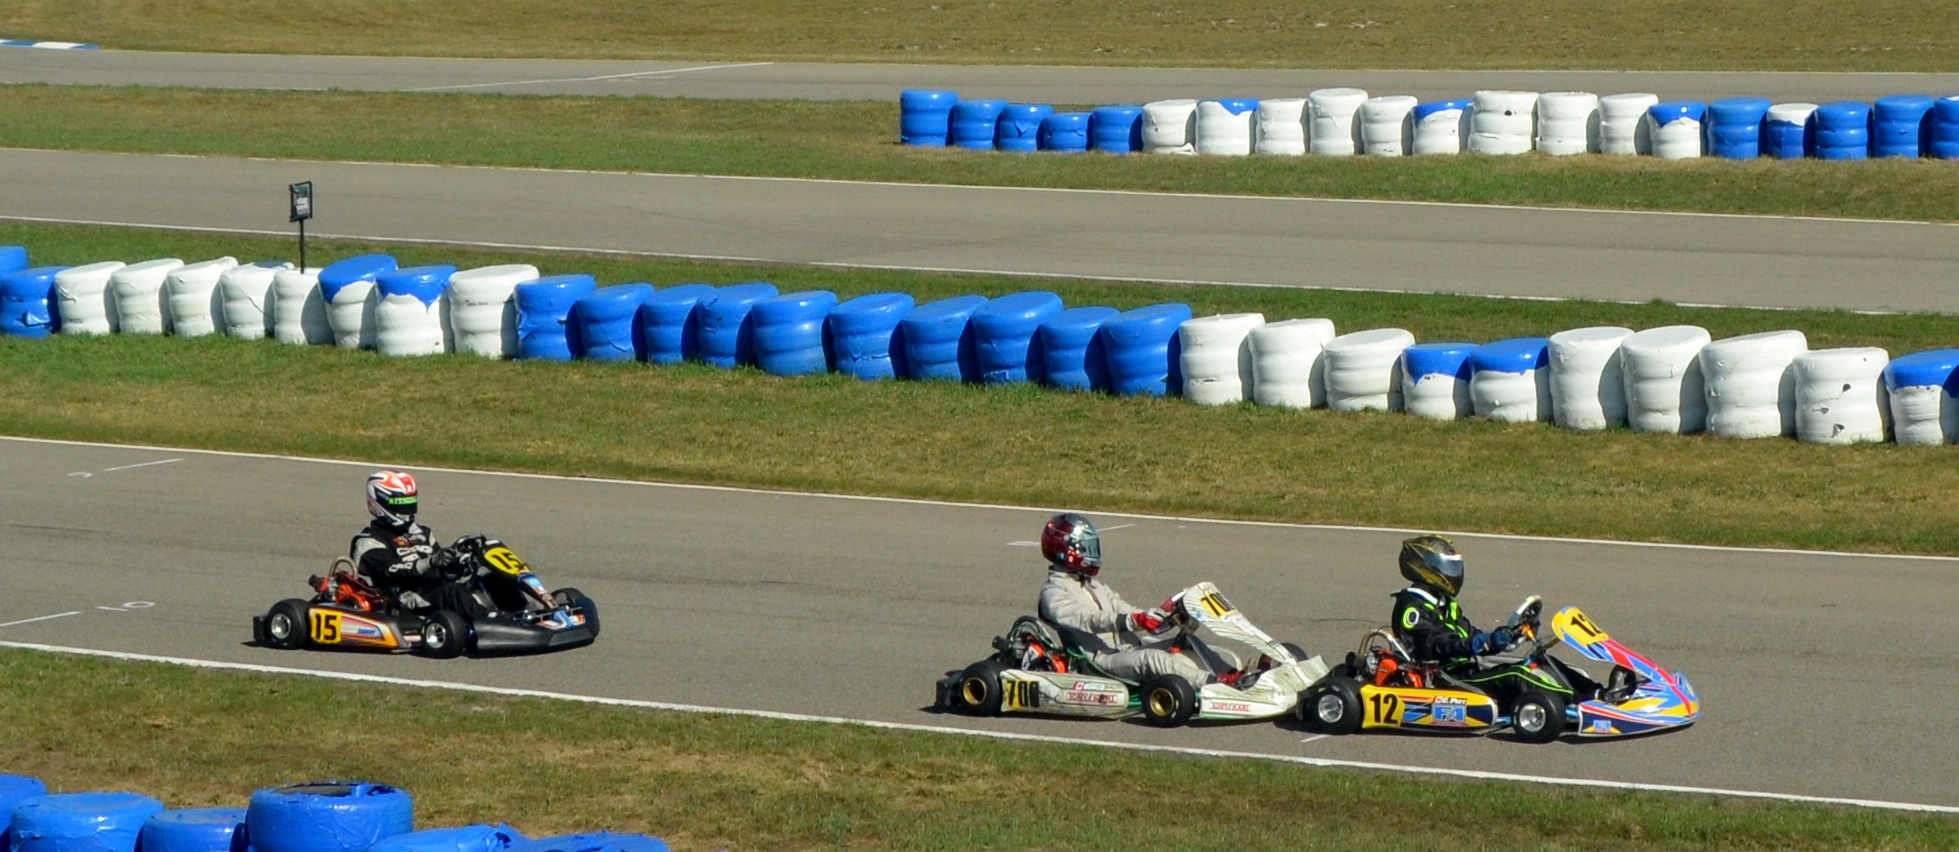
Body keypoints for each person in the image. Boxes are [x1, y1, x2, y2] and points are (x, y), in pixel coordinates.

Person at [1036, 512, 1214, 686]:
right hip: (1101, 661)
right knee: (1152, 658)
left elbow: (1122, 608)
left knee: (1190, 642)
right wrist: (1131, 620)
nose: (1091, 554)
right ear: (1064, 550)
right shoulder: (1053, 593)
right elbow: (1088, 619)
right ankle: (1213, 684)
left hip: (1127, 650)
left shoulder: (1093, 585)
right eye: (1085, 548)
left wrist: (1158, 616)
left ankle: (1231, 677)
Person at [1388, 534, 1517, 671]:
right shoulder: (1412, 607)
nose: (1453, 573)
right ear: (1427, 569)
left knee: (1529, 668)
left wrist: (1506, 636)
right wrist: (1479, 643)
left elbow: (1472, 637)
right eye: (1448, 567)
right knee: (1518, 678)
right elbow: (1433, 645)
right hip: (1442, 675)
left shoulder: (1446, 604)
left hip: (1464, 669)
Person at [351, 470, 443, 611]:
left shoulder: (424, 533)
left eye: (410, 503)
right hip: (401, 600)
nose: (408, 511)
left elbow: (440, 569)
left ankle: (485, 619)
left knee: (480, 582)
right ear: (379, 504)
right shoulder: (369, 541)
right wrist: (428, 563)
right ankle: (486, 627)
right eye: (401, 504)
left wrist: (455, 564)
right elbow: (389, 570)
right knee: (453, 593)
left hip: (433, 592)